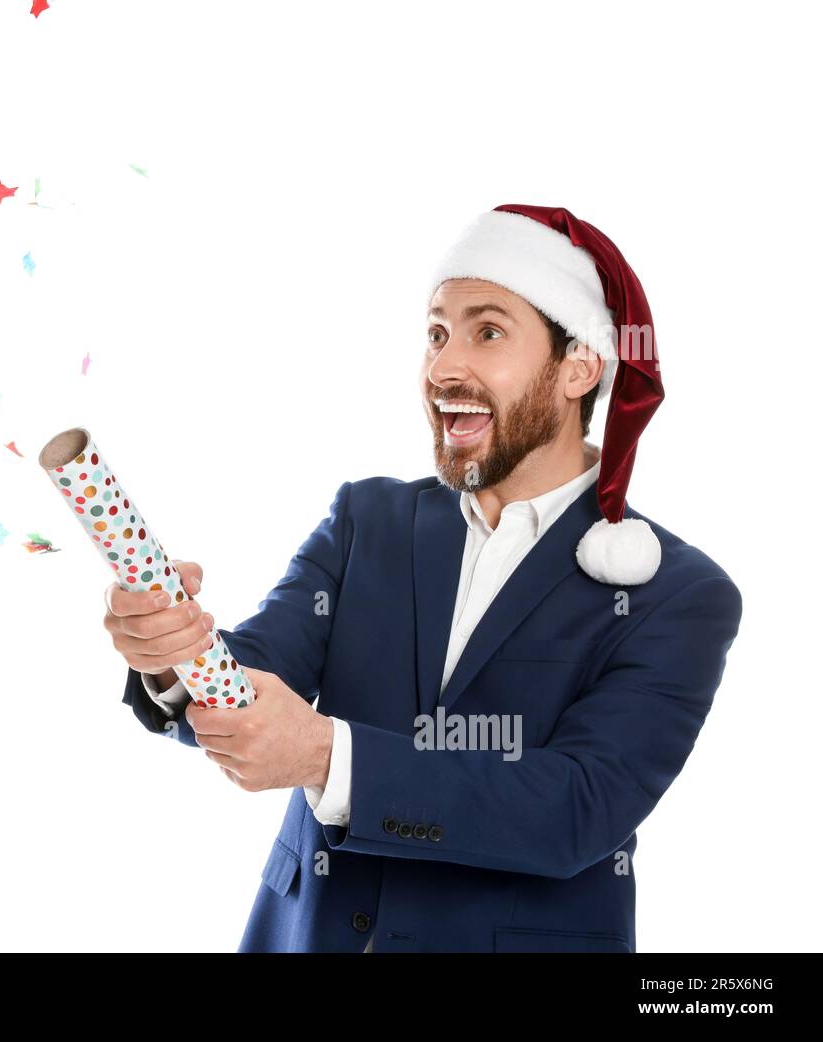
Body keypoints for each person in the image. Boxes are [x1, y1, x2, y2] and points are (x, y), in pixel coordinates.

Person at [104, 204, 742, 953]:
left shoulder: (678, 594)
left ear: (580, 366)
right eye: (436, 333)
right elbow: (258, 671)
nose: (443, 367)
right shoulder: (366, 519)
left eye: (488, 331)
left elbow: (576, 808)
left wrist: (324, 755)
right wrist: (174, 656)